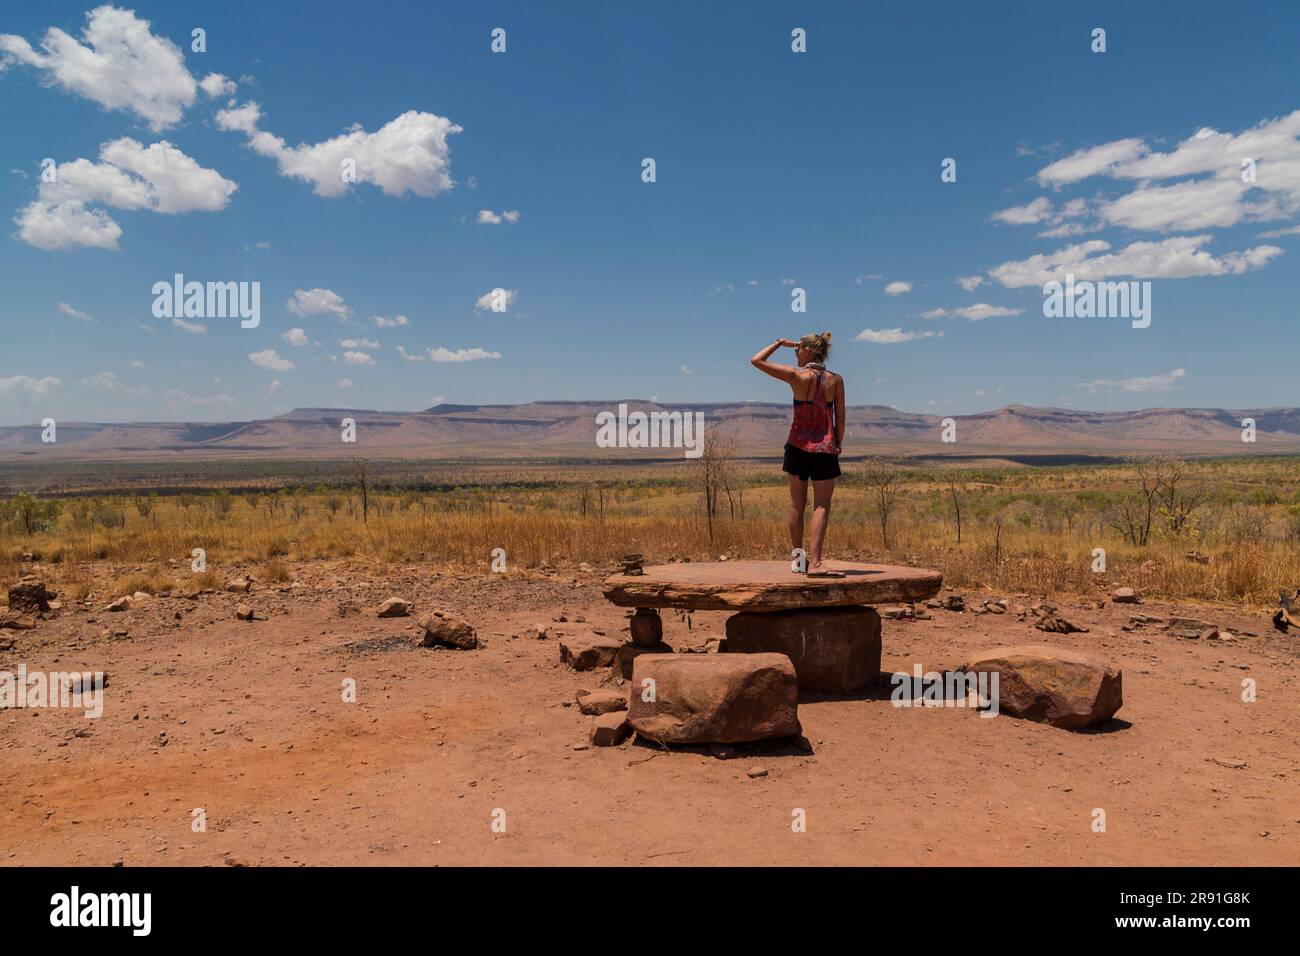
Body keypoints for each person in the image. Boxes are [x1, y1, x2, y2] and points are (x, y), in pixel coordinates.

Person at [750, 332, 845, 577]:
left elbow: (756, 361)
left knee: (796, 505)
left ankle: (798, 562)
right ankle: (815, 563)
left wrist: (778, 343)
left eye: (797, 350)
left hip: (796, 447)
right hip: (825, 449)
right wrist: (837, 444)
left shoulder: (796, 376)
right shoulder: (836, 381)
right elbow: (840, 420)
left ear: (808, 351)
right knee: (821, 505)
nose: (795, 354)